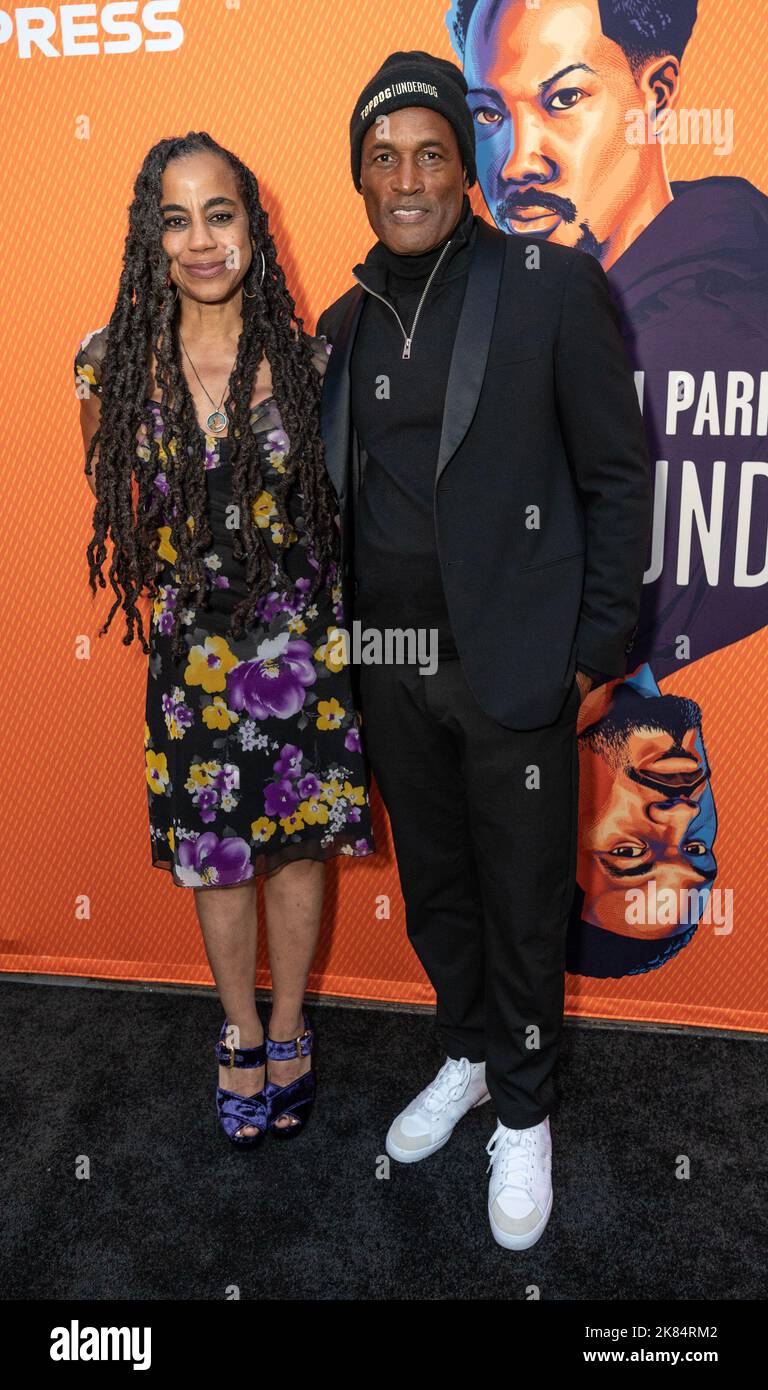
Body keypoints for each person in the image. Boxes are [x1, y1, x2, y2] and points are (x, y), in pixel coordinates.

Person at [316, 52, 652, 1248]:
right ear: (359, 176)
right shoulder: (342, 326)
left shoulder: (548, 286)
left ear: (468, 165)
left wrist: (596, 647)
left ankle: (524, 1110)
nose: (406, 176)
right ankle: (463, 1053)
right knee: (441, 892)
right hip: (390, 664)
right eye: (382, 155)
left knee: (521, 906)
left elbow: (617, 476)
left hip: (517, 665)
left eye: (428, 151)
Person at [74, 131, 375, 1147]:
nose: (201, 239)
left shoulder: (315, 364)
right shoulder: (106, 365)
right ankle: (238, 1028)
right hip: (193, 659)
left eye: (219, 213)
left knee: (294, 851)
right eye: (175, 218)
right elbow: (122, 506)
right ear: (149, 238)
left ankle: (290, 1023)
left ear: (253, 223)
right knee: (219, 857)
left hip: (302, 649)